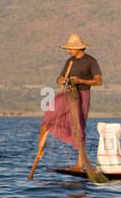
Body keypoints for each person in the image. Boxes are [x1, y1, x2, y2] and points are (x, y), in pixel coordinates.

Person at [37, 33, 102, 164]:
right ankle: (40, 150)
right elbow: (60, 78)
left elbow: (98, 81)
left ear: (79, 48)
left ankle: (80, 163)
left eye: (71, 48)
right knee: (48, 118)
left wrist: (80, 80)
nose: (68, 51)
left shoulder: (91, 61)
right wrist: (60, 80)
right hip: (67, 94)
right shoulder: (70, 61)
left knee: (79, 126)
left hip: (82, 95)